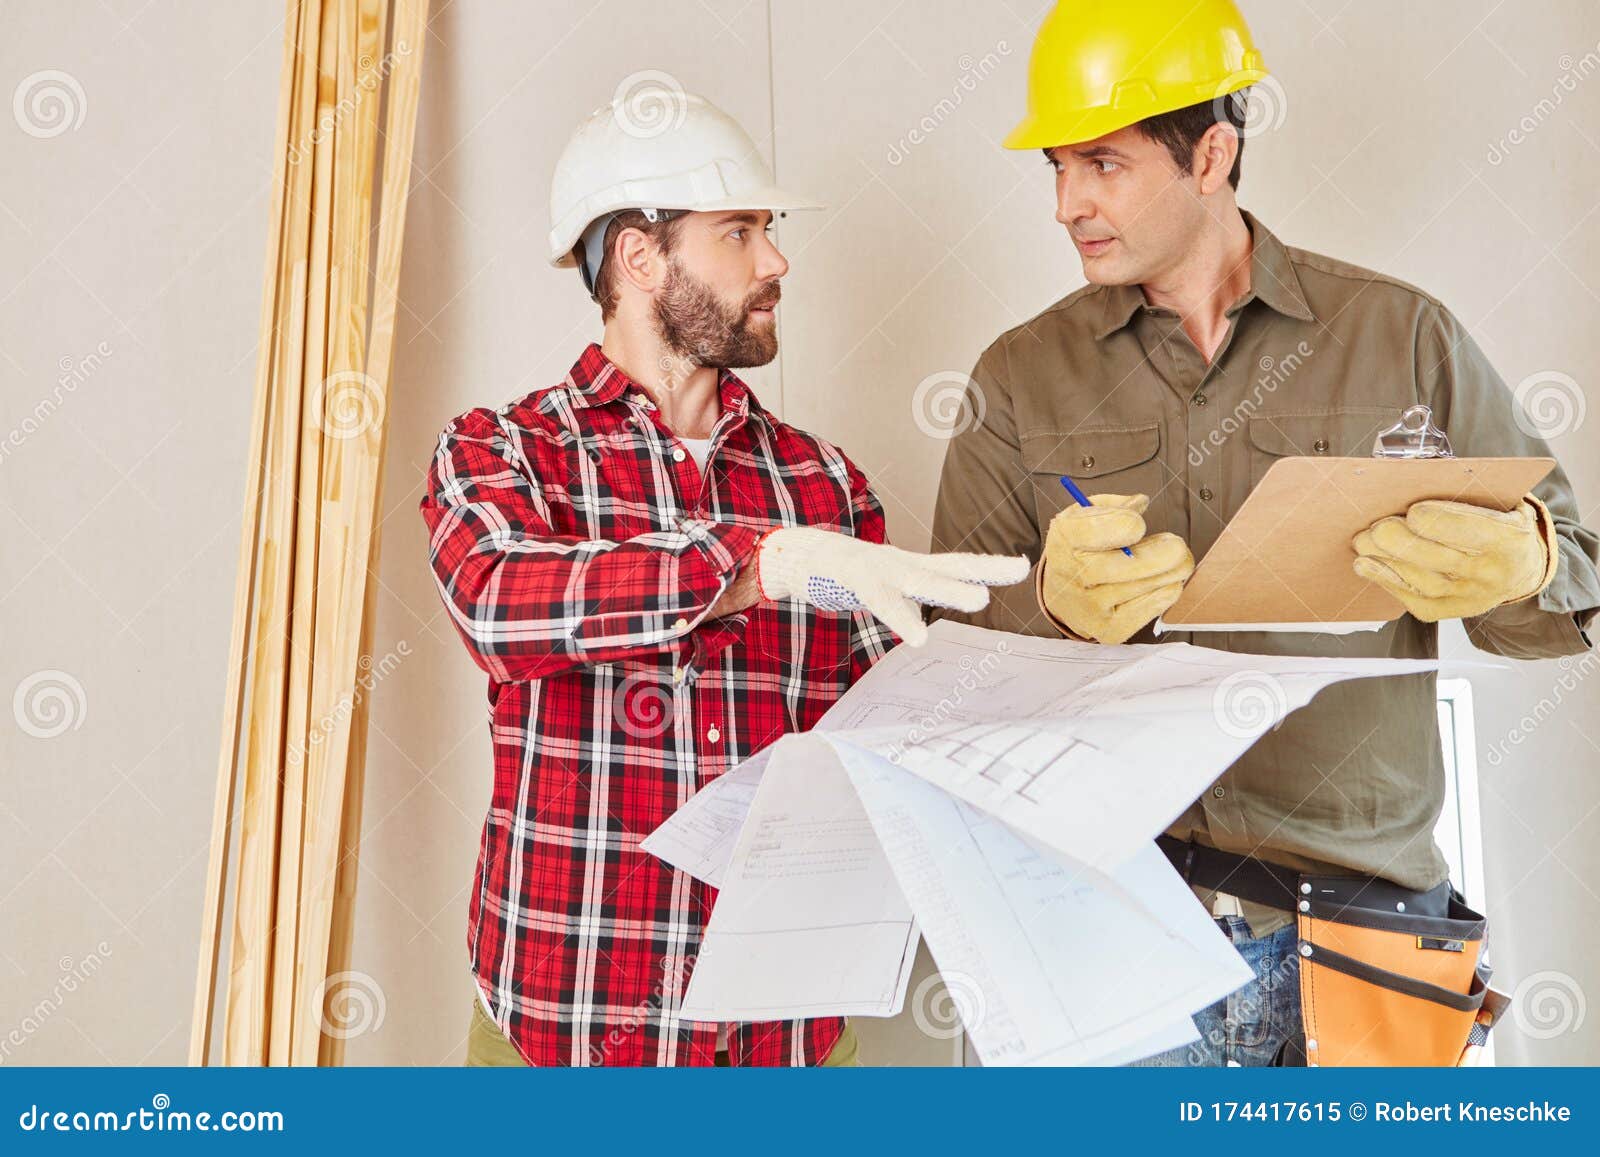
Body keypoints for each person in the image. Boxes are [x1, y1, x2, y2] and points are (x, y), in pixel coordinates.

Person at [931, 0, 1600, 1066]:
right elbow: (945, 657)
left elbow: (1570, 589)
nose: (1065, 204)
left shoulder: (1400, 336)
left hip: (1363, 941)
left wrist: (1529, 559)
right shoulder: (1018, 375)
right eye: (1056, 168)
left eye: (1101, 164)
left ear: (1210, 155)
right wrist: (1046, 606)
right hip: (1113, 939)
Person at [421, 86, 1026, 1067]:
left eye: (768, 231)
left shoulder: (823, 482)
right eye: (739, 231)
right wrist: (756, 563)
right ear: (639, 257)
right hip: (564, 1030)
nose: (776, 261)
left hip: (786, 1039)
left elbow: (897, 734)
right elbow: (500, 604)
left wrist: (1049, 641)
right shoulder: (504, 451)